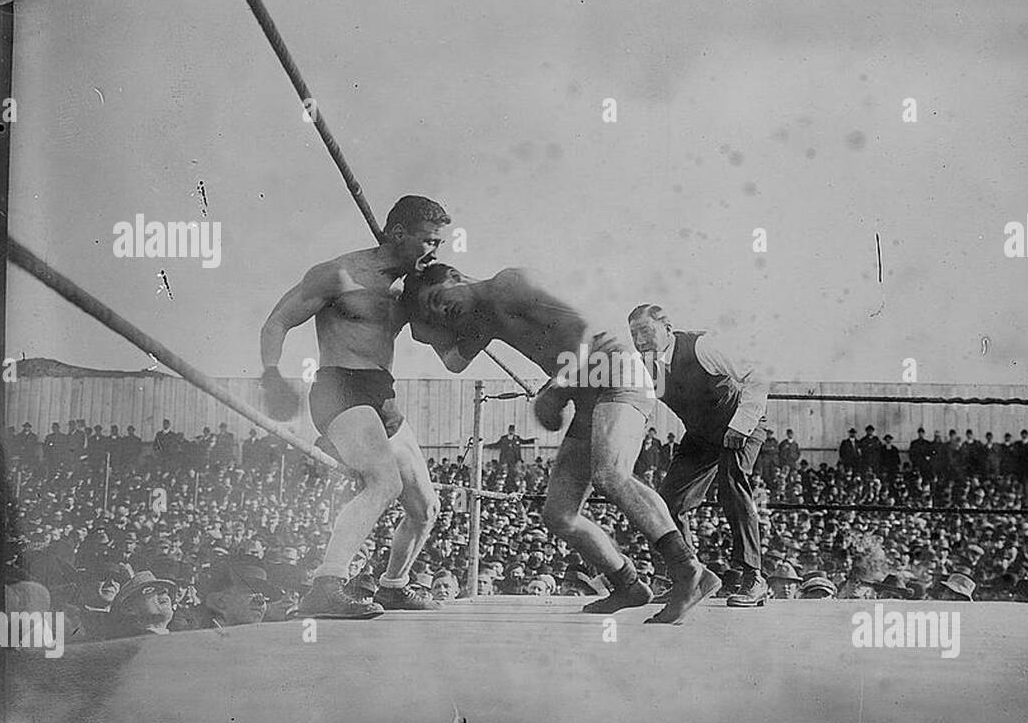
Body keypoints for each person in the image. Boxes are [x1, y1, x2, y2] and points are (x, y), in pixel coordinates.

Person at [406, 263, 721, 624]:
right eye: (434, 311)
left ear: (454, 277)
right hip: (583, 388)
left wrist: (557, 390)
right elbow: (454, 363)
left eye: (439, 300)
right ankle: (627, 583)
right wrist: (414, 319)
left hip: (614, 369)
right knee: (559, 514)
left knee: (611, 475)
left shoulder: (510, 283)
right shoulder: (481, 319)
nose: (444, 312)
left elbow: (582, 329)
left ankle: (688, 570)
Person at [259, 195, 449, 618]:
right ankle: (326, 586)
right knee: (384, 482)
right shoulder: (338, 275)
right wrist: (271, 373)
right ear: (398, 234)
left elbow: (450, 352)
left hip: (382, 393)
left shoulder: (412, 286)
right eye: (429, 241)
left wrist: (442, 301)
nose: (435, 251)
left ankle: (394, 585)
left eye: (440, 243)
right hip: (339, 387)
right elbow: (277, 321)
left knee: (426, 508)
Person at [629, 303, 772, 607]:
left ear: (667, 327)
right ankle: (689, 579)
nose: (640, 341)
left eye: (645, 331)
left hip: (737, 424)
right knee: (667, 501)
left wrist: (741, 426)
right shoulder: (643, 365)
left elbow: (758, 375)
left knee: (732, 487)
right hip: (701, 436)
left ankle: (754, 578)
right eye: (634, 335)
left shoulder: (703, 346)